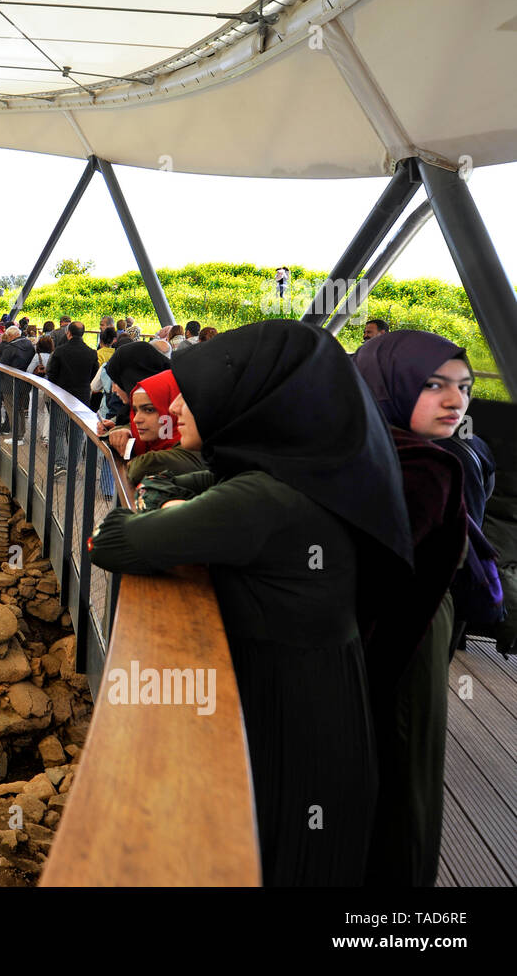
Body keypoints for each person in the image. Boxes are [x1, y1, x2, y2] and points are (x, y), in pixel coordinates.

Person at [89, 320, 414, 886]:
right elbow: (197, 488)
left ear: (247, 402)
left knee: (279, 857)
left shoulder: (261, 498)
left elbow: (109, 543)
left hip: (289, 717)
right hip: (326, 702)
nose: (179, 410)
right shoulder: (294, 476)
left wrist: (156, 515)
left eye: (198, 395)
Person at [353, 331, 479, 887]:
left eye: (463, 388)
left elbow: (365, 565)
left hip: (411, 631)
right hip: (412, 622)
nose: (456, 402)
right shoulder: (382, 448)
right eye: (436, 386)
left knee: (402, 775)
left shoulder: (423, 464)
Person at [45, 322, 99, 471]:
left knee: (58, 431)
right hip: (82, 399)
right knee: (77, 433)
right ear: (83, 334)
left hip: (61, 397)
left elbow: (51, 373)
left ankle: (60, 463)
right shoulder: (91, 352)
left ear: (68, 333)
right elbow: (94, 376)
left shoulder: (60, 351)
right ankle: (73, 465)